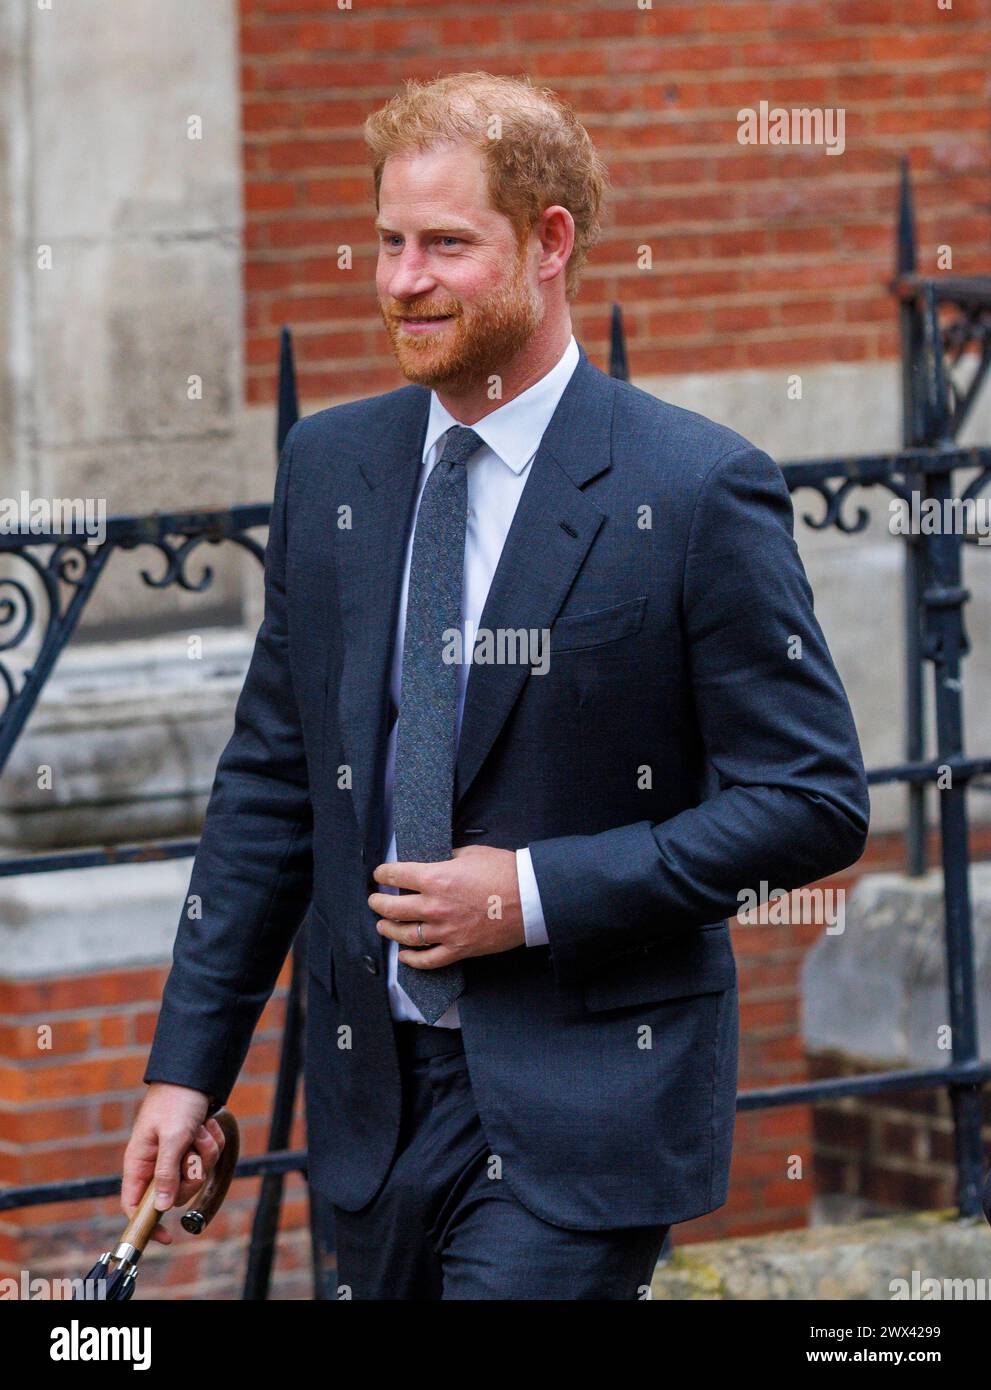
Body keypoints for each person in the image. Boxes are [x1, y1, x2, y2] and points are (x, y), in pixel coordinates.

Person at [125, 71, 870, 1300]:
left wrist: (528, 894)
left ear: (549, 243)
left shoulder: (693, 489)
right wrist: (187, 1069)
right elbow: (270, 783)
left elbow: (811, 797)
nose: (402, 279)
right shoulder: (332, 467)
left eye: (446, 245)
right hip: (367, 1108)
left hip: (583, 1111)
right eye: (387, 243)